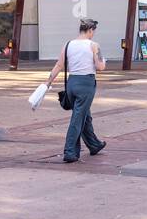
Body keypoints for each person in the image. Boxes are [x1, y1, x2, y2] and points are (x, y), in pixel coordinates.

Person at [46, 18, 107, 163]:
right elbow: (100, 67)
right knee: (77, 118)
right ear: (91, 30)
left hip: (71, 84)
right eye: (93, 32)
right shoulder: (94, 45)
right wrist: (103, 61)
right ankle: (70, 151)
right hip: (86, 84)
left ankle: (94, 144)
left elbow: (59, 65)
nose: (93, 34)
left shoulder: (68, 44)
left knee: (84, 115)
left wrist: (48, 82)